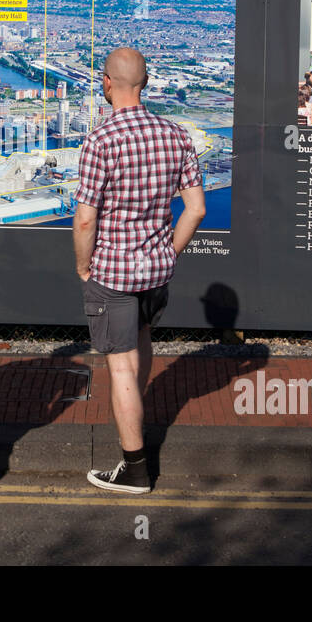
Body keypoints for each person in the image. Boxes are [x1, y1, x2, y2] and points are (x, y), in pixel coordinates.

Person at [74, 48, 205, 494]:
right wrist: (168, 252)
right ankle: (136, 425)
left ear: (106, 83)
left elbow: (86, 217)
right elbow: (196, 209)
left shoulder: (100, 140)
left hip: (112, 273)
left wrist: (82, 266)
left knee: (120, 368)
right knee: (142, 344)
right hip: (156, 273)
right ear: (145, 82)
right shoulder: (177, 135)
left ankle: (134, 468)